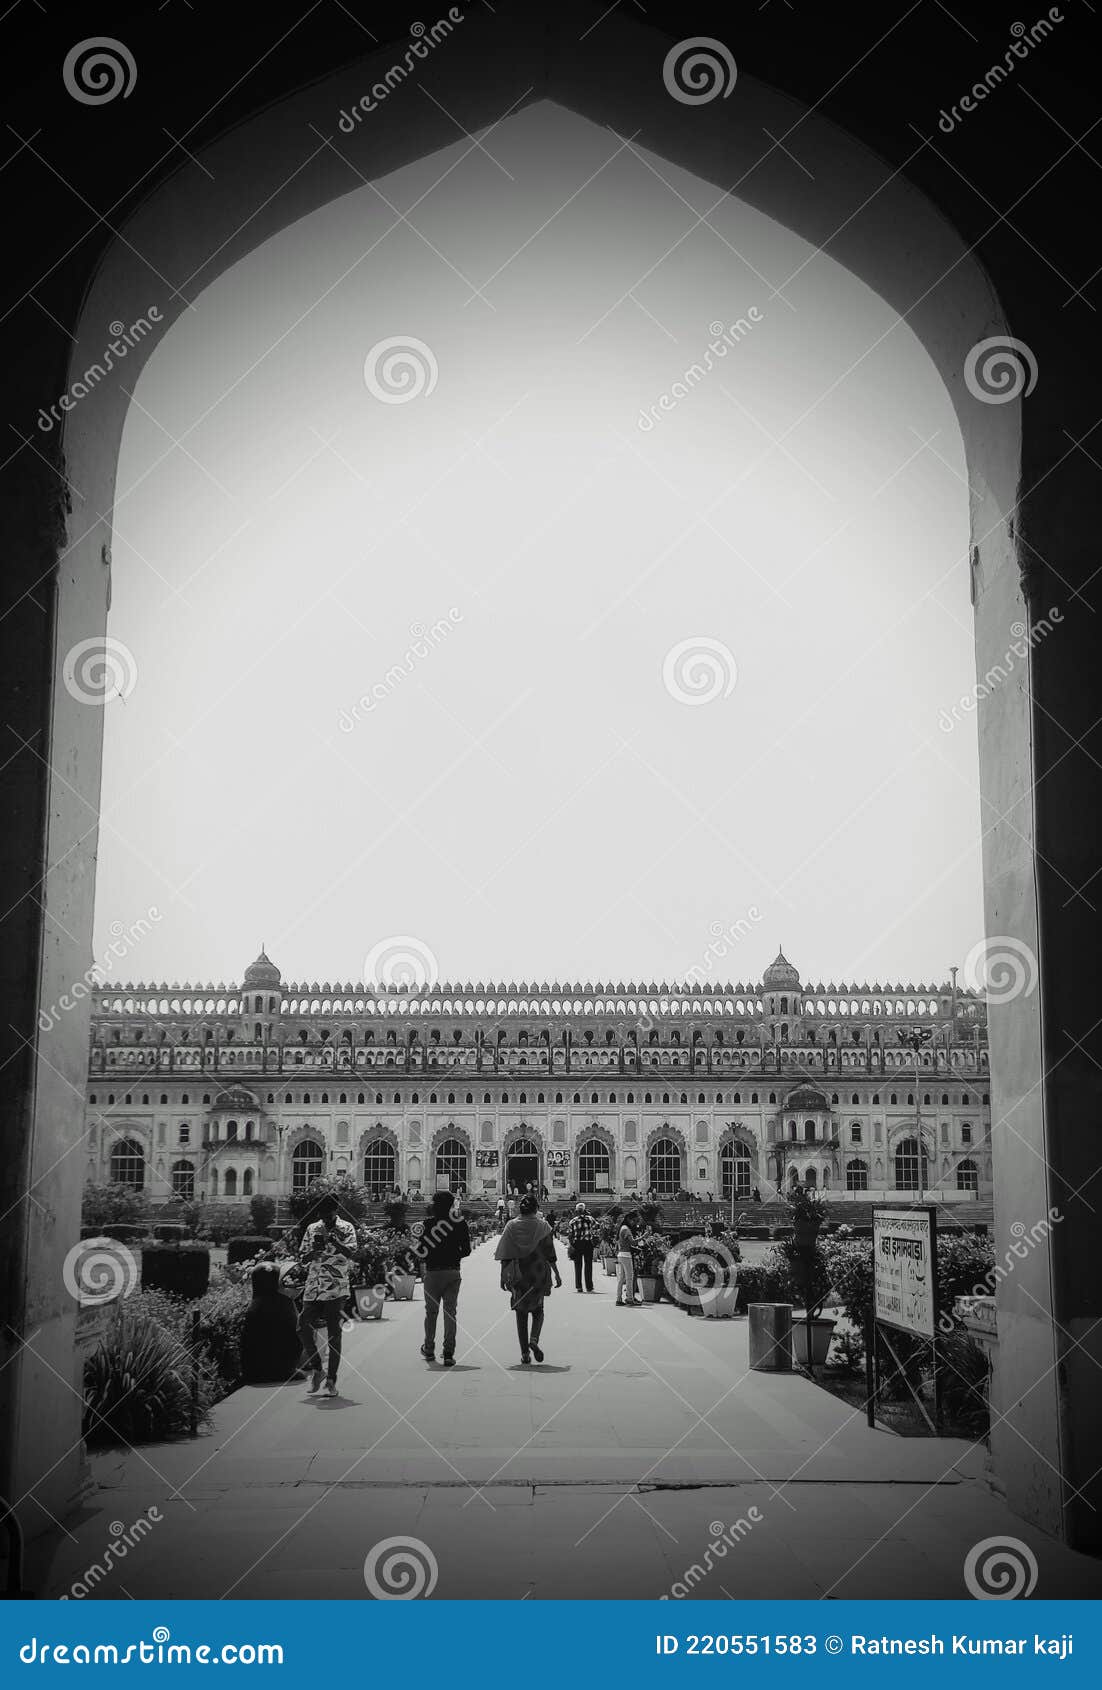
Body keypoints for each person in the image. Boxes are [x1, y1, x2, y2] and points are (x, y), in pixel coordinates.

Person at [298, 1196, 358, 1396]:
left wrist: (335, 1241)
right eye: (322, 1216)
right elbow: (302, 1257)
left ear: (336, 1211)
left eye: (329, 1215)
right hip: (314, 1285)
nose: (325, 1219)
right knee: (302, 1326)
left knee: (334, 1333)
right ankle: (317, 1369)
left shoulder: (346, 1227)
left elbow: (351, 1253)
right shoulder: (312, 1228)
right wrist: (311, 1254)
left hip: (335, 1287)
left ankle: (332, 1379)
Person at [495, 1192, 559, 1364]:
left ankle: (524, 1353)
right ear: (536, 1208)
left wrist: (503, 1275)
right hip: (538, 1272)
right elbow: (550, 1253)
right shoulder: (543, 1226)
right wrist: (557, 1273)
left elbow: (505, 1252)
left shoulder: (511, 1225)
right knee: (538, 1311)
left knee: (521, 1313)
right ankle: (534, 1340)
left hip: (519, 1274)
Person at [419, 1191, 471, 1366]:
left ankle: (429, 1348)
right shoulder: (459, 1223)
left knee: (431, 1312)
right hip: (452, 1272)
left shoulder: (427, 1224)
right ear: (451, 1205)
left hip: (433, 1273)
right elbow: (467, 1250)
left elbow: (420, 1251)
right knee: (450, 1313)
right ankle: (448, 1352)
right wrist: (453, 1254)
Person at [567, 1200, 597, 1293]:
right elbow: (597, 1226)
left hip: (577, 1244)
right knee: (588, 1265)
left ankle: (579, 1286)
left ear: (576, 1211)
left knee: (578, 1265)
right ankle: (589, 1286)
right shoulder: (590, 1219)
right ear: (584, 1210)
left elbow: (570, 1235)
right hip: (588, 1243)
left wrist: (570, 1246)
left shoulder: (573, 1221)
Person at [615, 1211, 641, 1307]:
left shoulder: (622, 1228)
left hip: (621, 1254)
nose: (634, 1223)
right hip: (626, 1255)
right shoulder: (626, 1229)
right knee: (629, 1277)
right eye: (634, 1220)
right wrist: (644, 1237)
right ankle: (629, 1298)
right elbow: (633, 1242)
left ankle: (618, 1299)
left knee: (621, 1278)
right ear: (629, 1220)